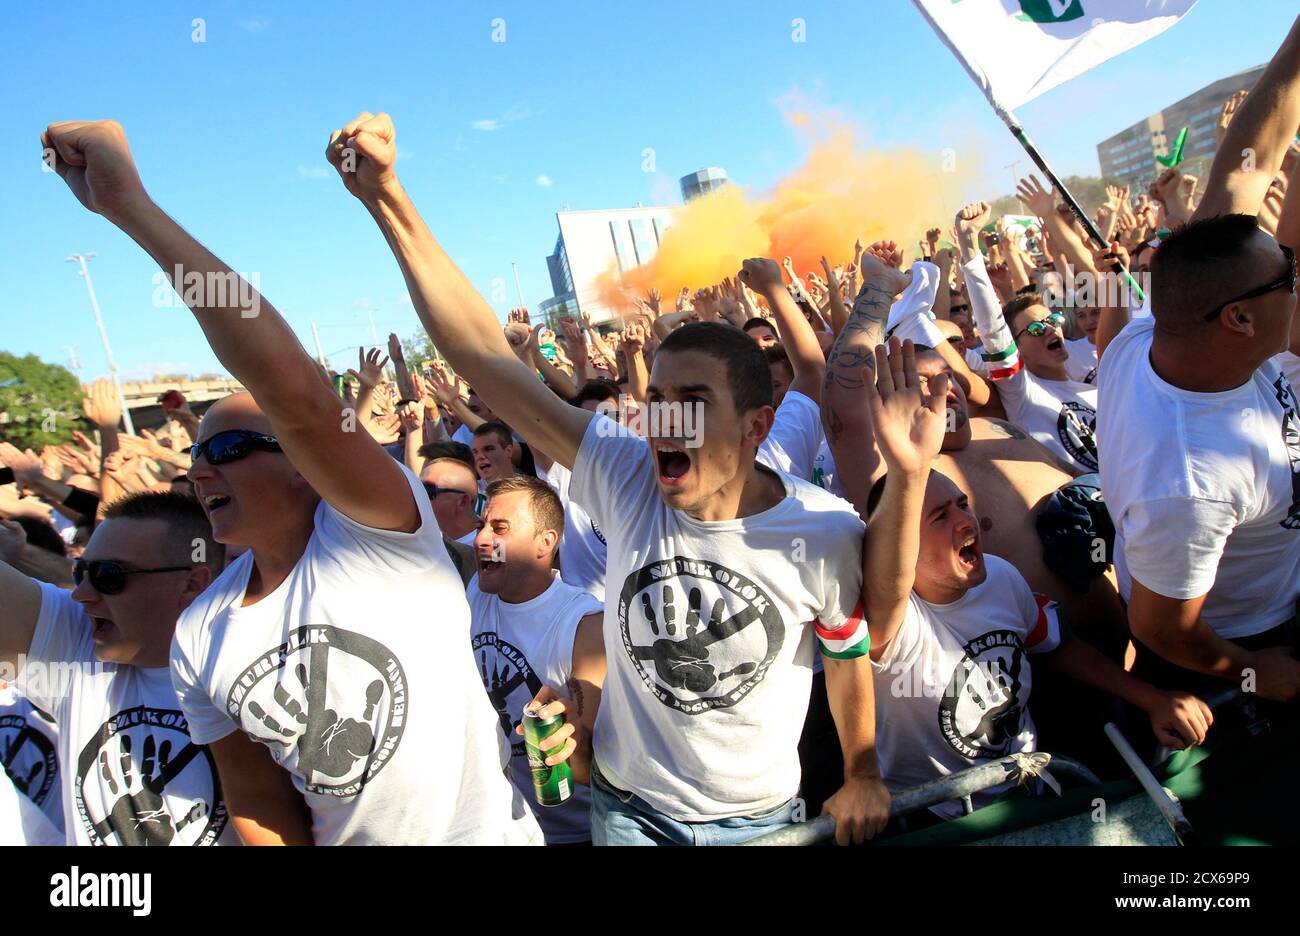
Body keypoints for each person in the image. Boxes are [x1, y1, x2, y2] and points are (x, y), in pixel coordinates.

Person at [333, 110, 889, 845]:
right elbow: (483, 363)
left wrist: (861, 771)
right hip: (628, 815)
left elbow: (847, 652)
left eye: (693, 405)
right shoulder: (625, 474)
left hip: (759, 824)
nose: (664, 424)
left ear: (756, 427)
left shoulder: (822, 531)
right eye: (655, 402)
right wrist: (389, 201)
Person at [41, 117, 539, 845]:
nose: (202, 466)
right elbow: (257, 803)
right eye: (196, 457)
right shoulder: (200, 635)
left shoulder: (377, 537)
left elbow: (296, 391)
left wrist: (131, 209)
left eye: (234, 444)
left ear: (309, 462)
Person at [844, 340, 1210, 817]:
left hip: (1038, 784)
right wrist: (909, 469)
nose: (966, 522)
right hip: (942, 818)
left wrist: (1151, 698)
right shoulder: (892, 620)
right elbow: (889, 579)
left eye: (964, 505)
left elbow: (1056, 646)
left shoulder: (1000, 576)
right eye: (939, 516)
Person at [1096, 16, 1300, 700]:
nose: (1296, 281)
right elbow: (1161, 629)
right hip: (1239, 645)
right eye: (1287, 277)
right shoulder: (1186, 479)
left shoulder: (1162, 327)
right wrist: (1252, 671)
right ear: (1238, 318)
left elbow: (1252, 162)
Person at [0, 494, 240, 845]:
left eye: (108, 576)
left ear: (191, 583)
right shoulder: (77, 647)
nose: (82, 594)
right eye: (81, 572)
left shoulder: (256, 674)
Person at [468, 476, 604, 844]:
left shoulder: (583, 625)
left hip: (573, 834)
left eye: (500, 529)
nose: (482, 539)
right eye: (482, 525)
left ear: (546, 543)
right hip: (499, 827)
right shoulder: (478, 591)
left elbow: (588, 767)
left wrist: (567, 735)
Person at [956, 202, 1100, 474]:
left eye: (1053, 320)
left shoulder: (1098, 393)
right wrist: (969, 246)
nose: (1049, 329)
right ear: (1017, 349)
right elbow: (993, 331)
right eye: (1035, 329)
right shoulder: (1021, 392)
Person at [417, 441, 481, 544]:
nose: (417, 496)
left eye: (427, 490)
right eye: (417, 487)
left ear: (462, 502)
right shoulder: (417, 541)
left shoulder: (495, 549)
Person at [472, 421, 519, 487]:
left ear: (508, 451)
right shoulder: (469, 493)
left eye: (488, 449)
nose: (480, 457)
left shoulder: (530, 491)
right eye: (475, 452)